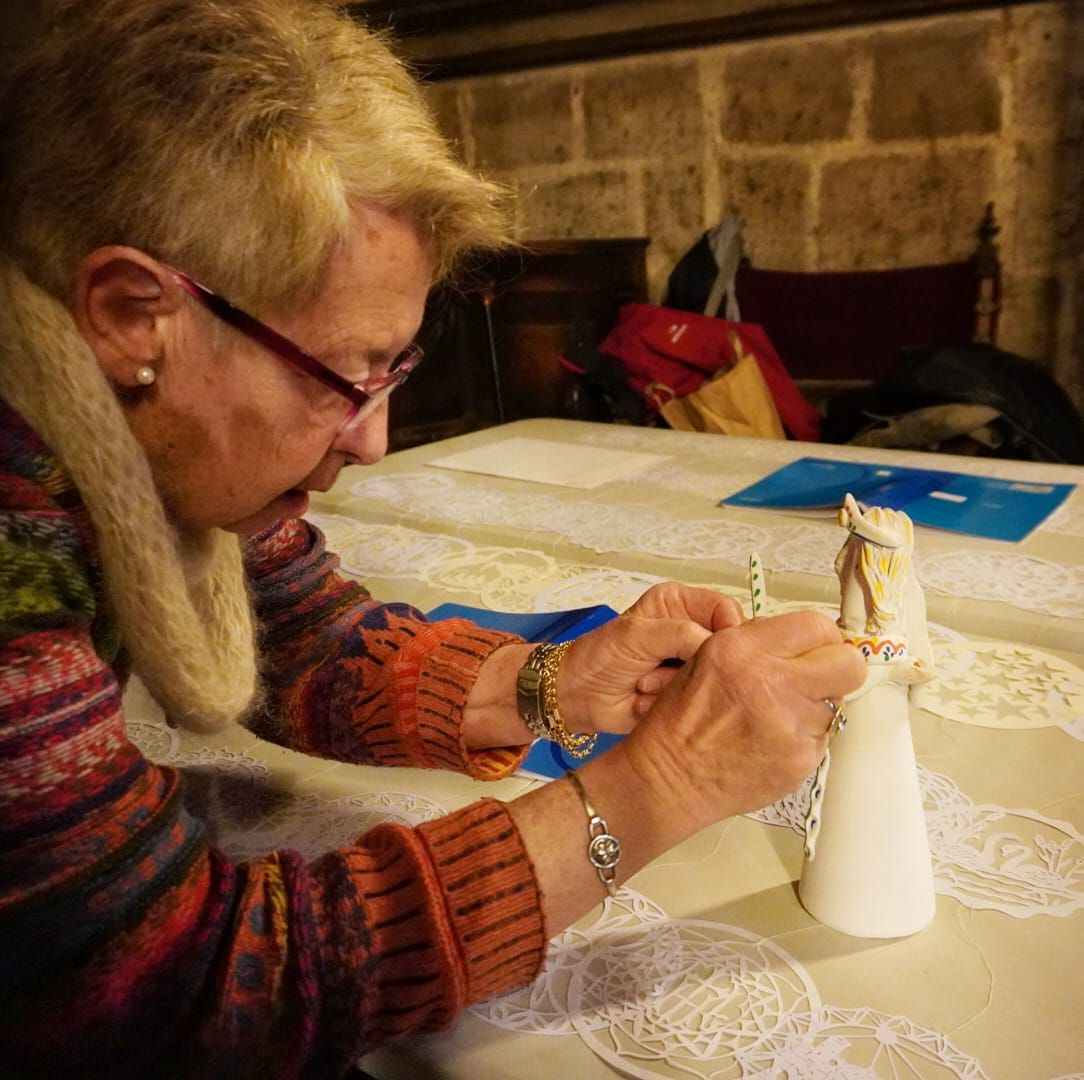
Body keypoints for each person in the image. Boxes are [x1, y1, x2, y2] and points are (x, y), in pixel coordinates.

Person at [0, 1, 865, 1076]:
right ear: (135, 315)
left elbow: (310, 641)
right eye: (346, 374)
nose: (374, 440)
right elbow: (191, 991)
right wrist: (665, 785)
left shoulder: (129, 434)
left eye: (392, 369)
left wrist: (560, 683)